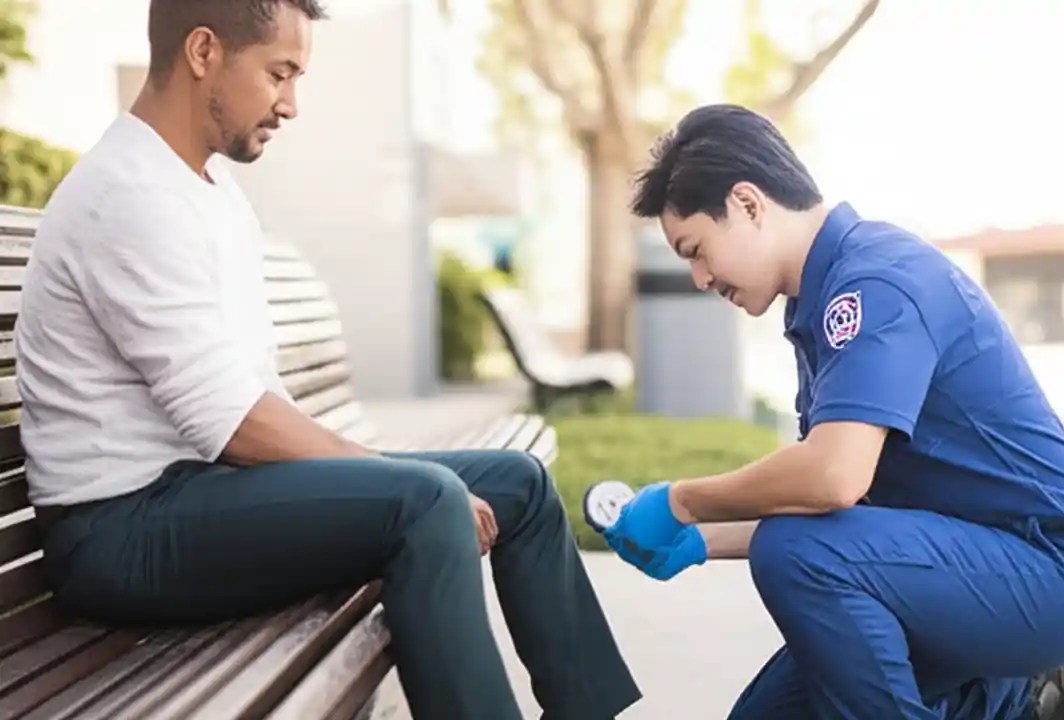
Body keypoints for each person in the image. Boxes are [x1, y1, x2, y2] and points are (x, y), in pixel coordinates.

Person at [15, 2, 641, 718]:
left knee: (519, 483)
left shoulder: (207, 193)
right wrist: (391, 475)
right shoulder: (127, 195)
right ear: (202, 52)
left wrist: (376, 475)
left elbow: (248, 395)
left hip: (200, 494)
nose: (291, 104)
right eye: (279, 74)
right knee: (427, 501)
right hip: (121, 531)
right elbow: (230, 422)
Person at [606, 104, 1064, 719]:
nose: (699, 278)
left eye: (697, 250)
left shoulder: (876, 283)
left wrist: (681, 501)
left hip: (1051, 573)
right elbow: (846, 512)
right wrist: (698, 542)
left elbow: (831, 480)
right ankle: (1007, 696)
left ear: (748, 204)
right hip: (961, 568)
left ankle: (1008, 693)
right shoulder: (822, 297)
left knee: (792, 552)